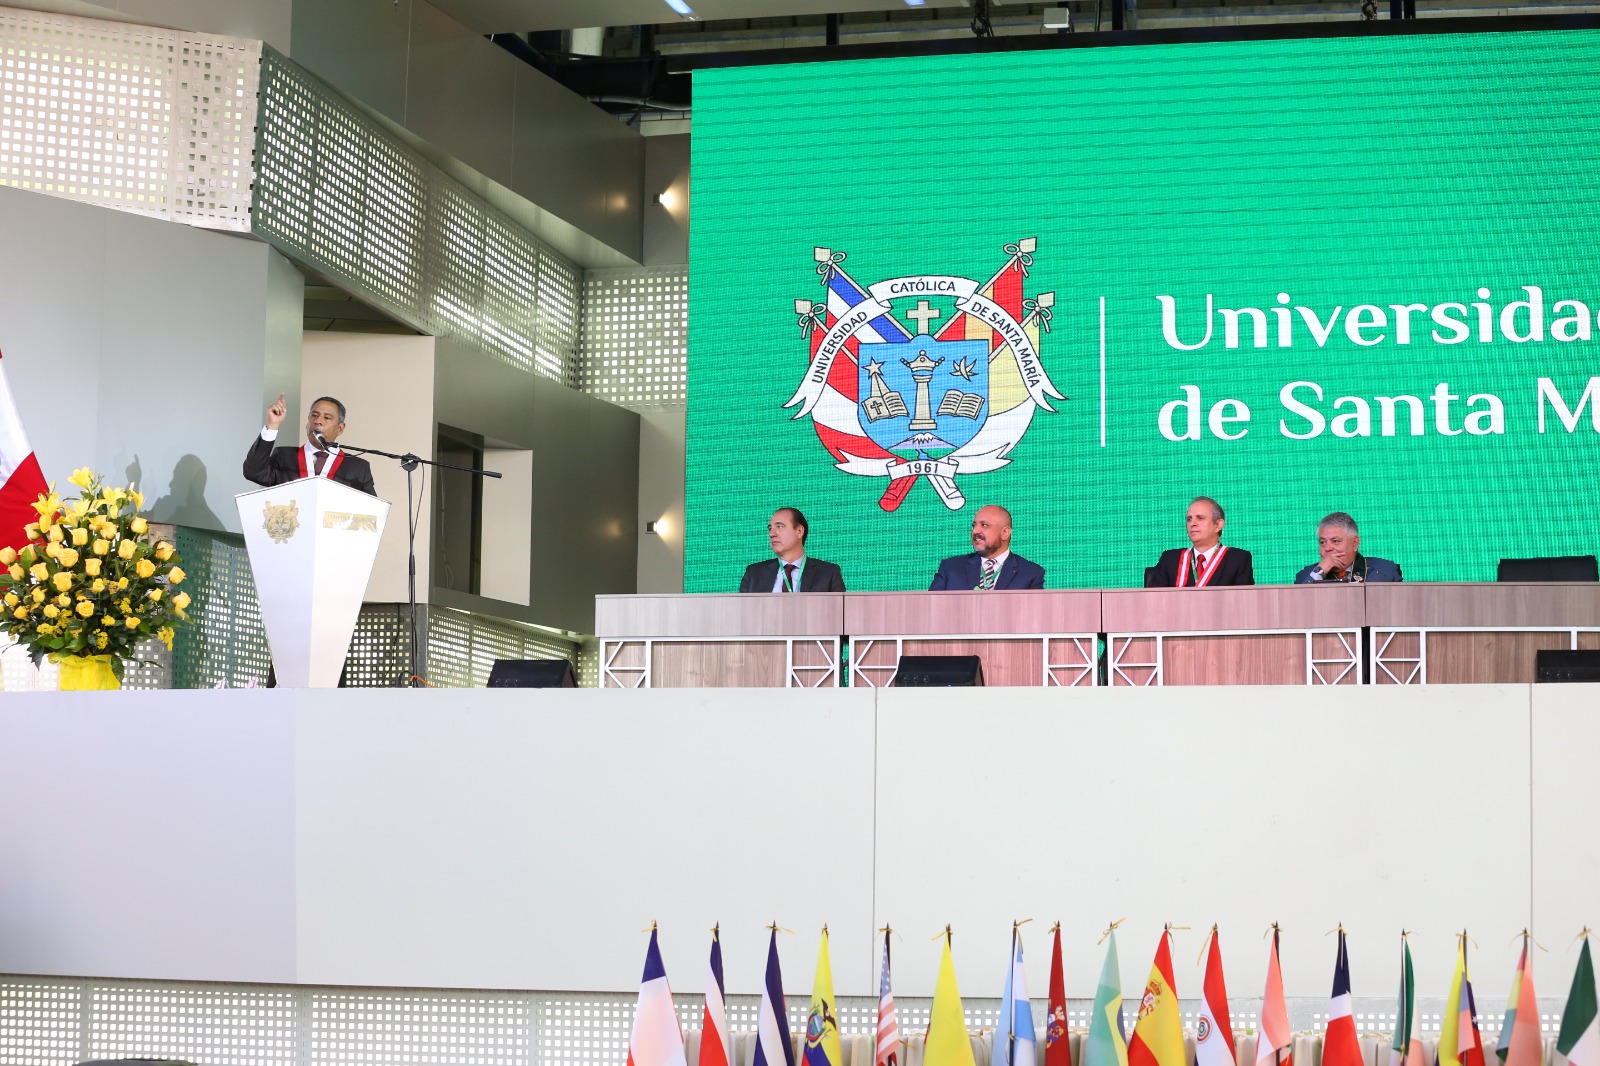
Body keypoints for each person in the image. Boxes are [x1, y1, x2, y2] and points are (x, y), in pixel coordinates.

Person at [244, 392, 377, 496]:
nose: (318, 421)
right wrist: (272, 425)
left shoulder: (359, 468)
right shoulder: (285, 457)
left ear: (340, 428)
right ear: (308, 422)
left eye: (327, 417)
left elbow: (372, 511)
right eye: (314, 415)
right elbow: (253, 472)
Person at [929, 504, 1046, 590]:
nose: (975, 531)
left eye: (984, 525)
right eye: (974, 525)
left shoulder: (1031, 573)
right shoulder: (951, 568)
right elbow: (930, 609)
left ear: (1005, 533)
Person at [1147, 496, 1254, 587]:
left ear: (1218, 525)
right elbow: (1154, 602)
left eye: (1200, 518)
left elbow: (1244, 604)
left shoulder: (1238, 559)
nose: (1192, 523)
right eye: (1189, 519)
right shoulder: (1170, 560)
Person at [738, 507, 845, 592]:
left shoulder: (828, 573)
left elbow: (841, 614)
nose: (771, 534)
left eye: (779, 526)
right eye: (770, 528)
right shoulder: (754, 573)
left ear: (799, 531)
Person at [1293, 512, 1402, 584]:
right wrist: (1318, 573)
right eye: (1322, 542)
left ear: (1355, 543)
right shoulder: (1305, 576)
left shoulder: (1385, 571)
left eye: (1335, 541)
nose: (1328, 548)